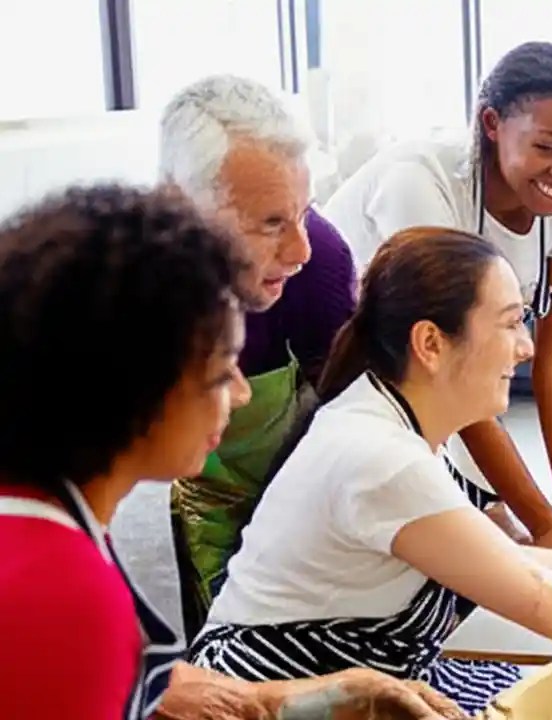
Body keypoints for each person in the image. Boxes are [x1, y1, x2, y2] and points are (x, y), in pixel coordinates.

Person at [186, 228, 552, 714]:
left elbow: (495, 562)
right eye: (509, 325)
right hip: (281, 695)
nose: (525, 347)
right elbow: (530, 591)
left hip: (371, 685)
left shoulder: (401, 421)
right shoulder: (379, 455)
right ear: (430, 343)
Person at [0, 185, 463, 720]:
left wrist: (312, 696)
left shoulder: (43, 508)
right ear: (139, 387)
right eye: (224, 370)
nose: (243, 394)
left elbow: (140, 687)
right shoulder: (64, 591)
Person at [323, 42, 552, 551]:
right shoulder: (420, 185)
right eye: (547, 147)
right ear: (492, 123)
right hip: (347, 386)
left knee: (503, 549)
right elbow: (445, 367)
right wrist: (542, 523)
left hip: (437, 393)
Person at [160, 74, 361, 635]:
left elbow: (354, 411)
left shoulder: (317, 259)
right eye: (270, 223)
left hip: (293, 506)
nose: (297, 248)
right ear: (180, 206)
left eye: (303, 212)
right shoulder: (111, 302)